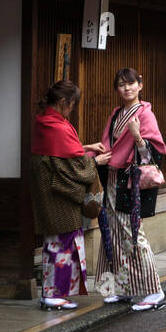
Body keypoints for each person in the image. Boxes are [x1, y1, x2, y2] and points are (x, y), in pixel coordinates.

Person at [93, 68, 166, 311]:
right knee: (112, 233)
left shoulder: (146, 114)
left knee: (133, 234)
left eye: (130, 84)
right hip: (112, 180)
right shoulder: (116, 114)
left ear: (140, 85)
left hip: (129, 182)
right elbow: (107, 145)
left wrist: (137, 136)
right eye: (121, 85)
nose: (126, 88)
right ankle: (122, 289)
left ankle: (154, 290)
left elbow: (153, 154)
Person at [29, 80, 99, 311]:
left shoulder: (46, 122)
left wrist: (87, 148)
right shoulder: (56, 127)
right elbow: (75, 164)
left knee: (57, 241)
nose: (72, 109)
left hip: (50, 190)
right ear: (62, 102)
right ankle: (52, 293)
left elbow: (64, 153)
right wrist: (95, 161)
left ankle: (54, 292)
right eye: (72, 105)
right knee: (62, 242)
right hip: (57, 194)